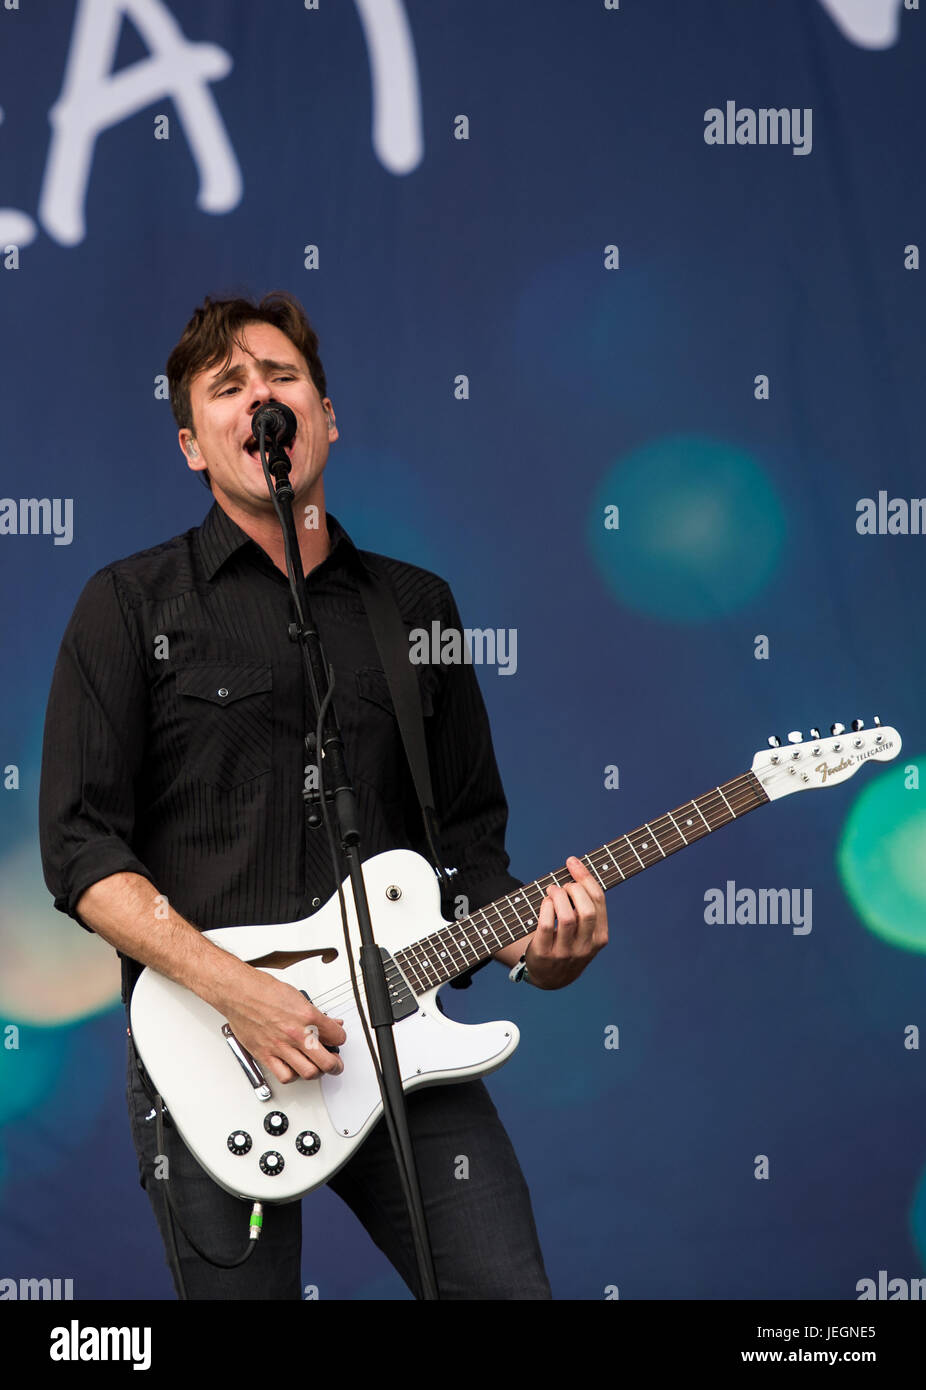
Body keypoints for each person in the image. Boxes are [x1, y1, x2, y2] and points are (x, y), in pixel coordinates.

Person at [38, 291, 609, 1300]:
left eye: (282, 377)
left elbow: (471, 855)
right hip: (211, 1053)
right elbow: (80, 848)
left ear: (326, 417)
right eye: (228, 386)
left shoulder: (414, 608)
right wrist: (238, 990)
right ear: (191, 444)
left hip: (402, 1046)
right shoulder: (129, 605)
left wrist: (540, 954)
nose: (260, 395)